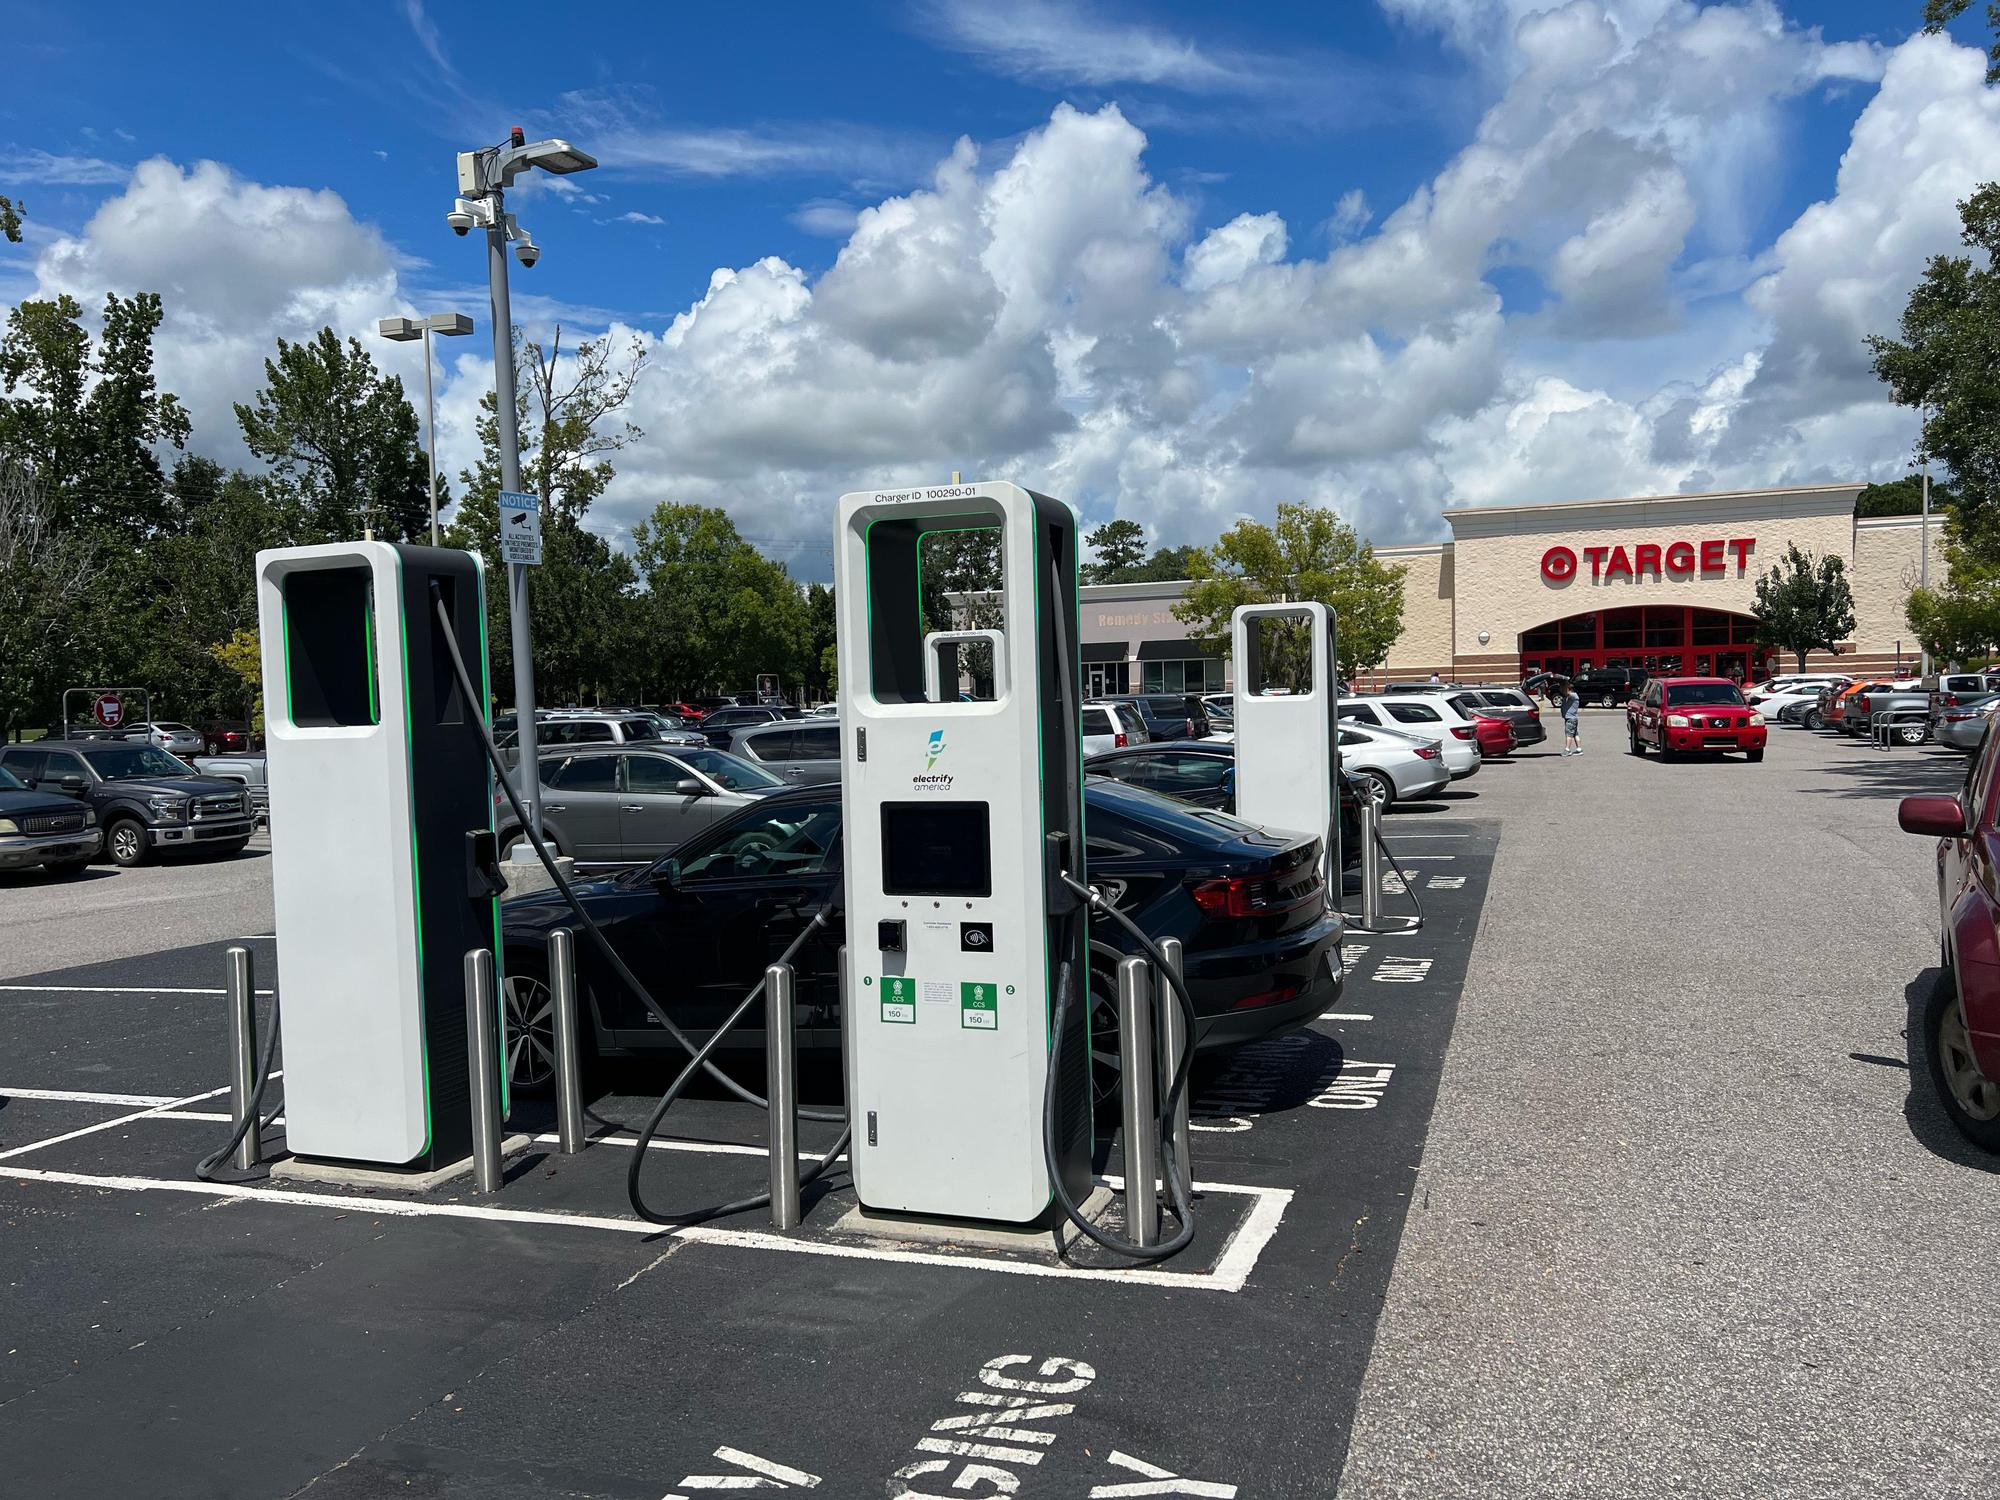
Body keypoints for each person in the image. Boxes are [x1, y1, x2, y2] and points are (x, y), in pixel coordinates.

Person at [1560, 677, 1582, 756]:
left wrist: (1565, 683)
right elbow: (1564, 693)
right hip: (1571, 718)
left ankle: (1567, 749)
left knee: (1569, 734)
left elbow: (1566, 692)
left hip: (1571, 719)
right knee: (1575, 734)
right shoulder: (1570, 696)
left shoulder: (1573, 695)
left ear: (1570, 689)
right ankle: (1579, 749)